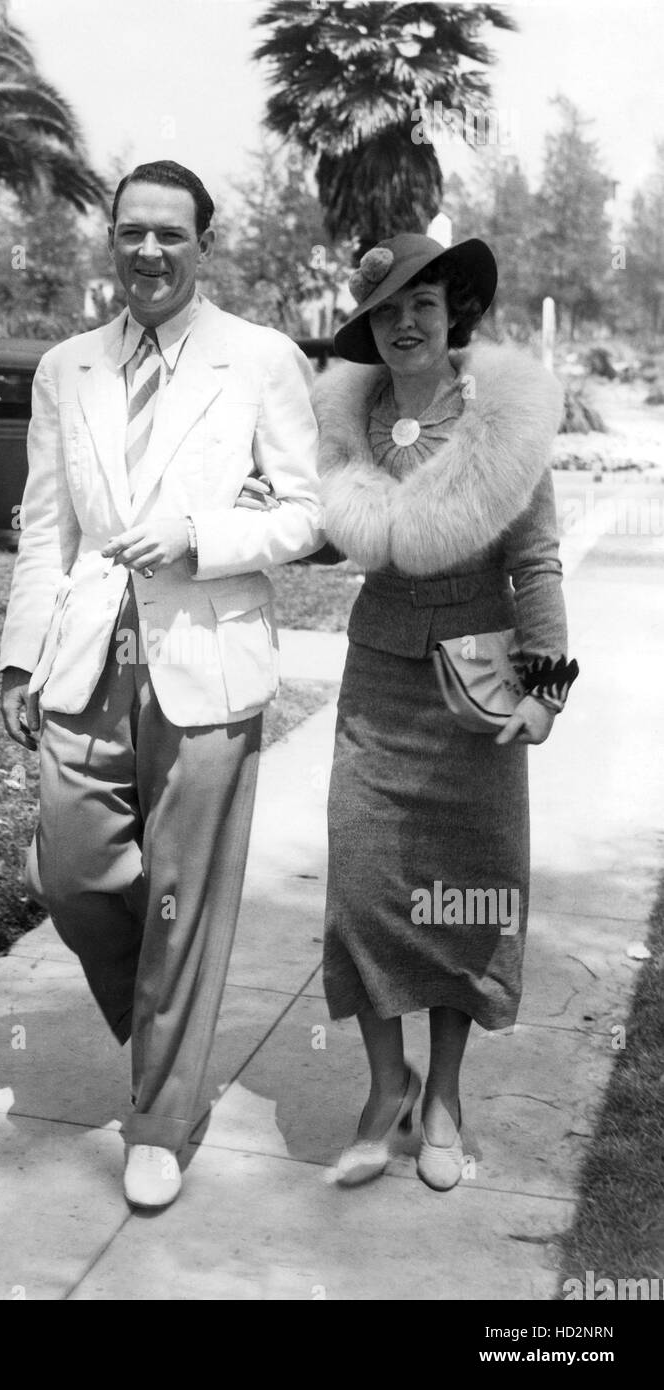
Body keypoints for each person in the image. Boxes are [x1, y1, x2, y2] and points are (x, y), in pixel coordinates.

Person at [0, 160, 323, 1209]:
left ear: (202, 244)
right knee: (73, 873)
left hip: (206, 656)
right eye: (130, 231)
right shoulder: (67, 368)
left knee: (187, 897)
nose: (147, 251)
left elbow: (302, 515)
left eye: (169, 236)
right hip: (89, 651)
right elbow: (44, 525)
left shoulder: (259, 359)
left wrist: (200, 536)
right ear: (109, 238)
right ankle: (164, 1015)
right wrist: (18, 655)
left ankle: (162, 1119)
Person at [313, 233, 578, 1192]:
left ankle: (444, 1102)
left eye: (422, 301)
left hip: (477, 685)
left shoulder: (501, 420)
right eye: (385, 310)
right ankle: (385, 1089)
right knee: (364, 885)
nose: (406, 323)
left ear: (452, 308)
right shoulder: (353, 419)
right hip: (377, 680)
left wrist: (546, 690)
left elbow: (535, 558)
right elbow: (319, 533)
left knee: (464, 889)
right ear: (368, 327)